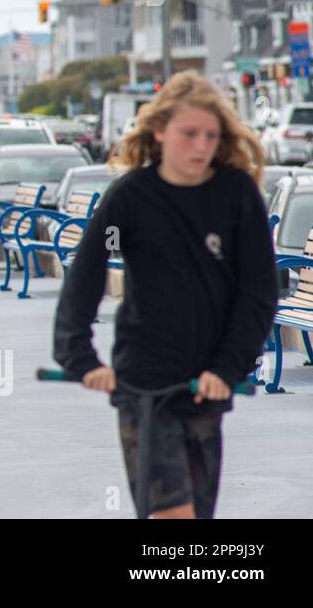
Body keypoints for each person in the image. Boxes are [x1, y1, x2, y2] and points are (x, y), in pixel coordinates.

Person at [52, 70, 277, 519]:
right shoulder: (131, 198)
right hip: (143, 385)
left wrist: (229, 365)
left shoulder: (236, 196)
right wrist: (80, 358)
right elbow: (87, 274)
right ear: (160, 131)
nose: (201, 146)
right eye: (189, 133)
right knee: (172, 515)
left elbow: (258, 289)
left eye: (211, 136)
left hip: (207, 382)